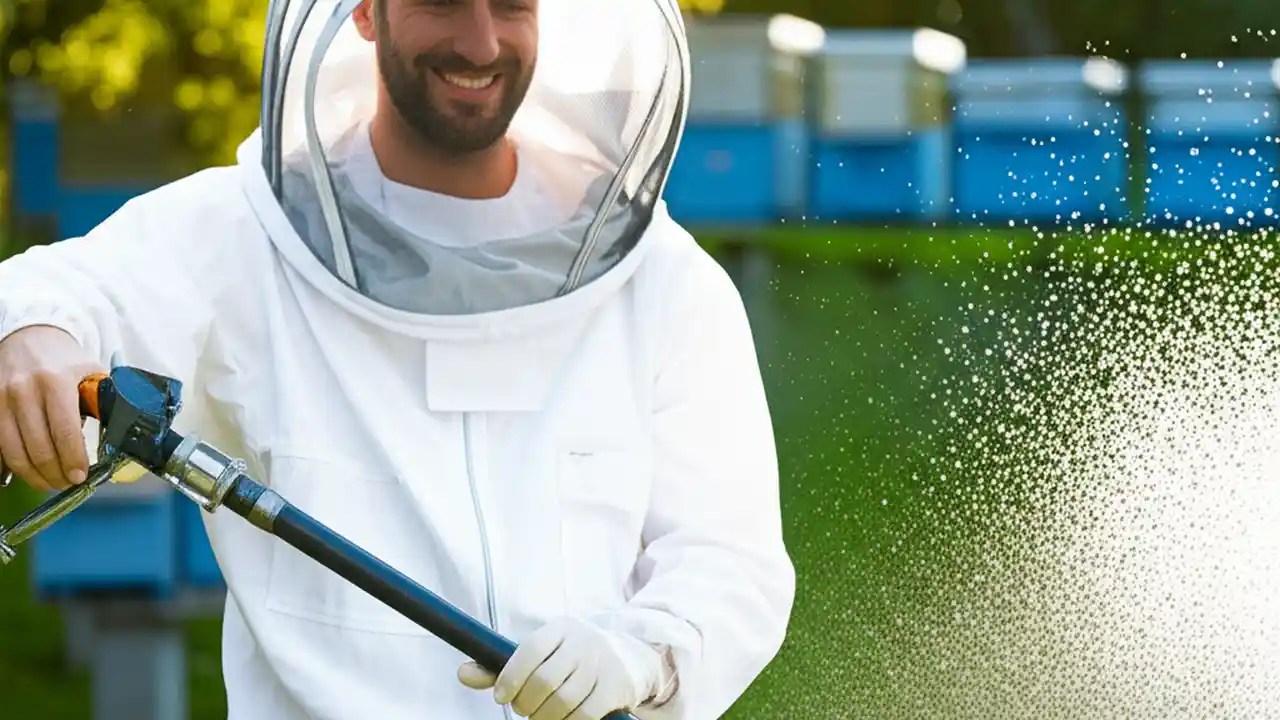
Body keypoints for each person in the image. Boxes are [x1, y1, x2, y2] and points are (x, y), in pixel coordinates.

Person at [0, 0, 795, 717]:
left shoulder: (663, 282)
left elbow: (730, 561)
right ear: (363, 13)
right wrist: (31, 332)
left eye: (511, 4)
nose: (480, 41)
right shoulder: (240, 237)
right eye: (441, 2)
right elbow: (51, 293)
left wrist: (644, 656)